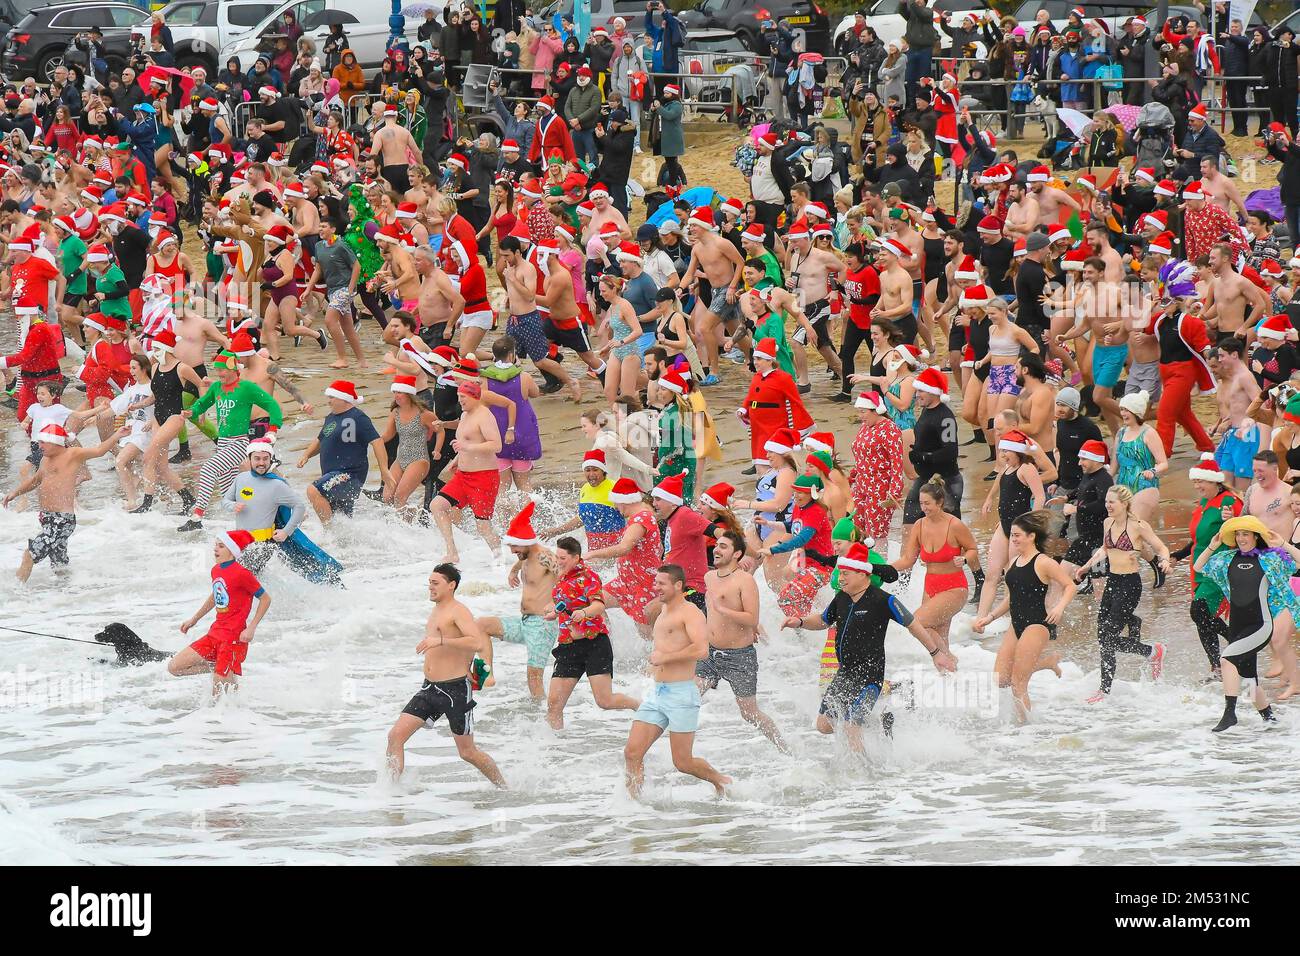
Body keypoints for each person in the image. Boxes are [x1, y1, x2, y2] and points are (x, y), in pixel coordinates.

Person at [785, 542, 956, 752]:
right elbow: (822, 621)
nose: (841, 578)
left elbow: (913, 624)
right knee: (824, 725)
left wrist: (936, 653)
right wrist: (800, 622)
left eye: (846, 573)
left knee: (850, 725)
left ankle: (865, 776)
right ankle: (880, 721)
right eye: (840, 573)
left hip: (870, 675)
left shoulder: (883, 600)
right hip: (845, 673)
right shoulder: (841, 598)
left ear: (862, 574)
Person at [385, 563, 507, 787]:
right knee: (395, 736)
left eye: (435, 583)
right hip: (429, 688)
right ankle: (389, 793)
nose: (430, 587)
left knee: (468, 752)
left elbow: (476, 641)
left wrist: (439, 641)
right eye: (429, 583)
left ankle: (505, 787)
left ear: (451, 585)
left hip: (455, 690)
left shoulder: (458, 610)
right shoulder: (437, 609)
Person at [624, 564, 731, 799]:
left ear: (678, 585)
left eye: (661, 583)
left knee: (683, 762)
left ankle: (722, 782)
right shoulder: (663, 611)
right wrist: (653, 664)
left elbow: (702, 650)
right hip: (657, 693)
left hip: (681, 694)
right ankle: (633, 805)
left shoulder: (690, 612)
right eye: (656, 582)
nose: (656, 587)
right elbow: (665, 646)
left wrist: (665, 657)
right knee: (632, 752)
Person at [1196, 516, 1300, 731]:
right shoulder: (1226, 558)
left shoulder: (1270, 559)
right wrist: (1212, 546)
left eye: (1246, 534)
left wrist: (1283, 544)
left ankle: (1229, 713)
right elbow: (1199, 566)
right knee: (1248, 680)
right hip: (1236, 625)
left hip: (1260, 625)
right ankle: (1269, 719)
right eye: (1238, 534)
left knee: (1227, 659)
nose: (1241, 538)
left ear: (1255, 536)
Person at [973, 511, 1077, 723]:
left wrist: (1059, 608)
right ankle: (1047, 663)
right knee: (1001, 679)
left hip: (1037, 625)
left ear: (1031, 536)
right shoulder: (1013, 563)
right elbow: (1010, 599)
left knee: (1018, 685)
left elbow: (1070, 586)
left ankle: (1026, 732)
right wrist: (989, 617)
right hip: (1016, 624)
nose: (1013, 539)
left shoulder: (1043, 562)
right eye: (1012, 535)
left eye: (1018, 535)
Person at [1072, 485, 1171, 702]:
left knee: (1108, 639)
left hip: (1130, 585)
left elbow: (1161, 548)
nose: (1107, 505)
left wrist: (1164, 561)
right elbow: (1104, 549)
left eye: (1111, 502)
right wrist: (1086, 567)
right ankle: (1134, 624)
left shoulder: (1138, 526)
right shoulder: (1108, 522)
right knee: (1102, 636)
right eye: (1106, 501)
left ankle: (1149, 655)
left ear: (1124, 504)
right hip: (1112, 582)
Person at [2, 423, 128, 583]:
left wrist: (117, 435)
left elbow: (99, 450)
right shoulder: (45, 460)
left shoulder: (72, 454)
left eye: (42, 442)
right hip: (47, 519)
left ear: (55, 442)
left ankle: (15, 594)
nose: (39, 446)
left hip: (62, 520)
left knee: (30, 554)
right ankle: (71, 593)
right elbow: (35, 480)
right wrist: (15, 493)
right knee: (59, 566)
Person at [697, 530, 786, 752]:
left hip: (739, 657)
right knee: (687, 698)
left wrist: (722, 609)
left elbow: (752, 618)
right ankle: (673, 751)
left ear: (737, 554)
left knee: (749, 713)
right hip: (709, 653)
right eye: (717, 545)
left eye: (723, 547)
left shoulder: (745, 581)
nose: (716, 549)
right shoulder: (709, 577)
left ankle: (785, 748)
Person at [541, 535, 641, 729]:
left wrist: (584, 613)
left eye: (563, 558)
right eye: (557, 557)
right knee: (554, 704)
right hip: (568, 646)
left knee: (604, 701)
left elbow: (598, 605)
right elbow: (565, 603)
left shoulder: (589, 577)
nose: (558, 562)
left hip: (594, 644)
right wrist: (554, 612)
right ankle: (554, 748)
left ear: (576, 557)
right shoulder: (561, 578)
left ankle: (642, 707)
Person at [168, 530, 271, 695]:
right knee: (175, 667)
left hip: (233, 637)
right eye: (216, 545)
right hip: (215, 632)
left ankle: (230, 702)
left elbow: (265, 599)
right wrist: (194, 619)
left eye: (221, 546)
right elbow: (216, 595)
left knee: (218, 695)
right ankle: (221, 670)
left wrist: (251, 628)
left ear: (232, 550)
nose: (216, 549)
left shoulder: (242, 574)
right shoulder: (216, 570)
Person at [477, 503, 559, 701]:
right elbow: (521, 561)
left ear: (526, 542)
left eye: (514, 545)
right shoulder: (526, 555)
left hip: (543, 625)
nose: (512, 550)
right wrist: (513, 571)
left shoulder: (545, 557)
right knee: (481, 625)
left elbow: (568, 576)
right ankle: (486, 675)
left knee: (533, 677)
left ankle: (541, 718)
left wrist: (558, 604)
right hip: (524, 622)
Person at [893, 479, 981, 653]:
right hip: (930, 586)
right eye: (921, 503)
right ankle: (947, 672)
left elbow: (972, 549)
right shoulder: (919, 526)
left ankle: (949, 659)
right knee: (939, 635)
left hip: (954, 587)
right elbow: (908, 559)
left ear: (940, 502)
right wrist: (881, 568)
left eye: (927, 503)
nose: (923, 508)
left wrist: (964, 559)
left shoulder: (954, 525)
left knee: (916, 622)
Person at [296, 380, 390, 525]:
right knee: (343, 520)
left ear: (344, 398)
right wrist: (306, 455)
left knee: (313, 491)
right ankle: (340, 544)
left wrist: (384, 470)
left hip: (350, 474)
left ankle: (329, 534)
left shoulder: (358, 417)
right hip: (332, 475)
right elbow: (321, 439)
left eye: (332, 397)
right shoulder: (331, 417)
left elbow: (377, 441)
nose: (329, 401)